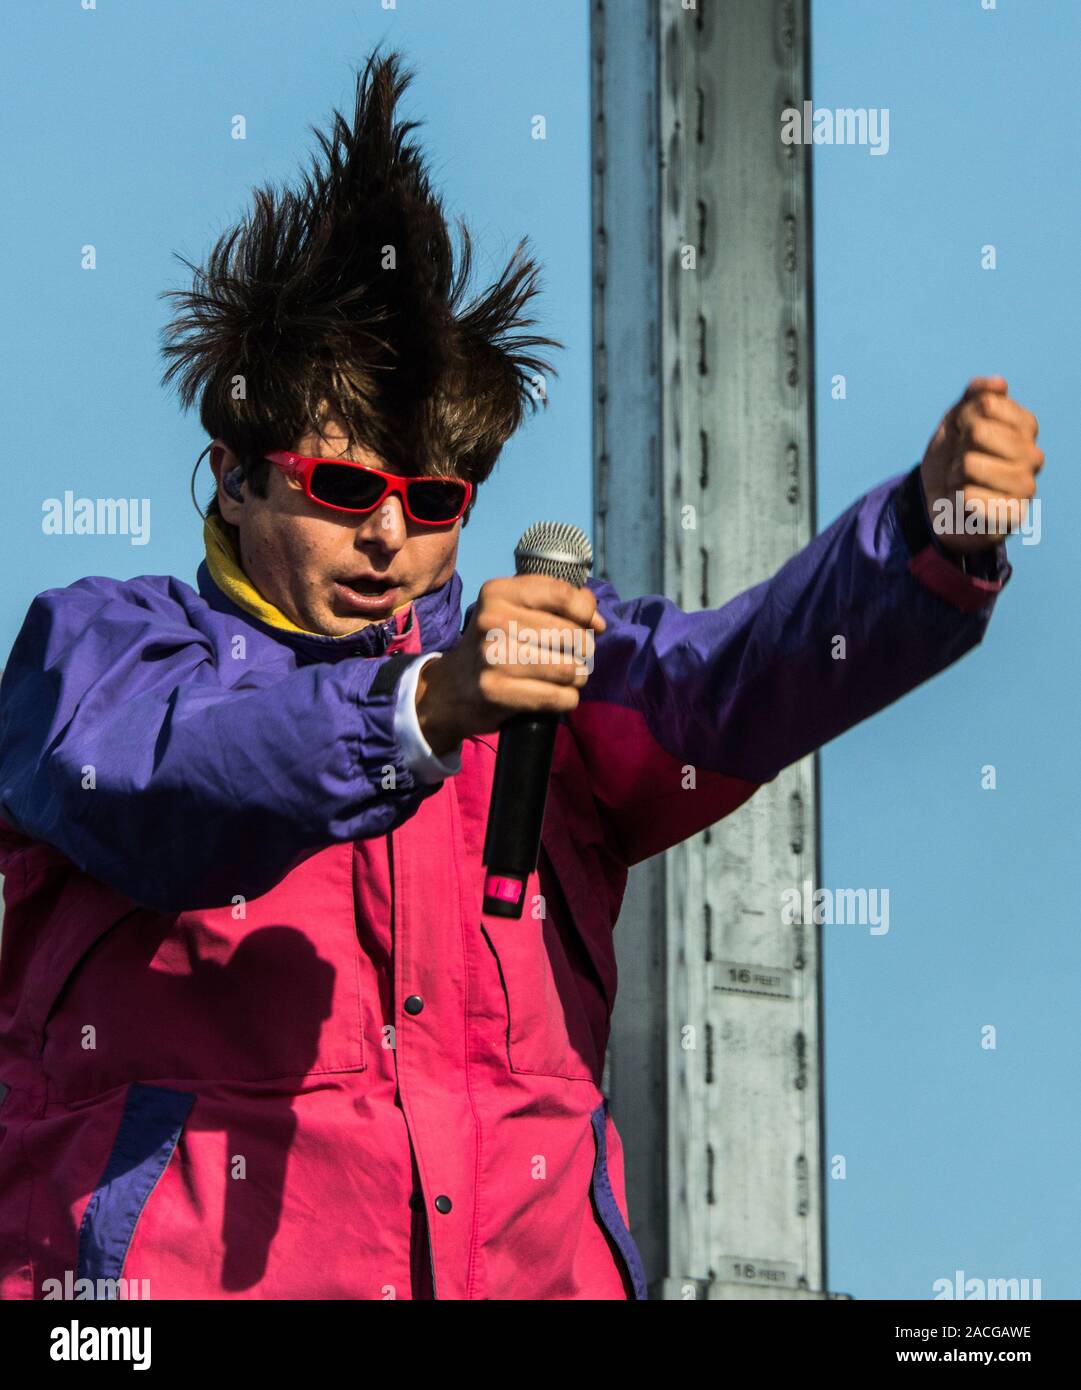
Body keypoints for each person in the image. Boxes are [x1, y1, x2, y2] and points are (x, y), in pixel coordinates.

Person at [0, 48, 1043, 1301]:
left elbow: (744, 676)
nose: (390, 536)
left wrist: (927, 538)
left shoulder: (543, 679)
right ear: (232, 472)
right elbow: (178, 782)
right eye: (343, 488)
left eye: (432, 498)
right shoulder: (98, 653)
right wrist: (420, 708)